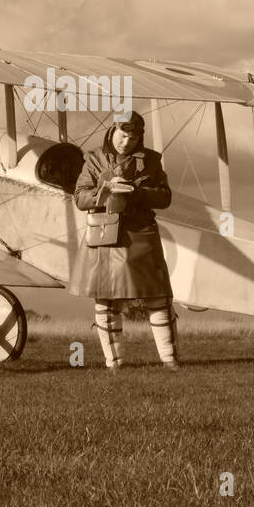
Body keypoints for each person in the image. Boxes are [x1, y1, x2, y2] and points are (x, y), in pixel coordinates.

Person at [70, 110, 179, 370]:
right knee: (106, 299)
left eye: (133, 137)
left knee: (159, 297)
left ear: (139, 136)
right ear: (112, 130)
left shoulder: (153, 161)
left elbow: (164, 197)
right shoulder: (93, 159)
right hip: (105, 233)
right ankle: (114, 363)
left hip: (141, 232)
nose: (126, 141)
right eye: (123, 134)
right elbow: (79, 197)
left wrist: (138, 193)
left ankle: (170, 361)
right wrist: (103, 191)